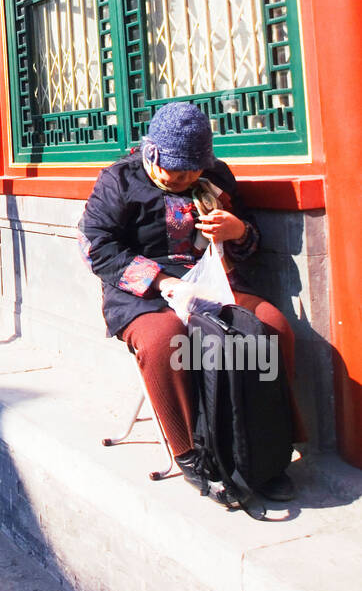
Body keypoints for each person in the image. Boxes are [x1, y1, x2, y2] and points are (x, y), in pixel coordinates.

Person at [78, 101, 305, 502]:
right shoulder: (119, 181)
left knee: (270, 327)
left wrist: (236, 231)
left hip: (211, 282)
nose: (186, 179)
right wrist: (162, 282)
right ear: (152, 153)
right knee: (165, 340)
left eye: (194, 170)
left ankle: (266, 451)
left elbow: (249, 244)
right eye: (176, 171)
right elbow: (97, 248)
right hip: (144, 293)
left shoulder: (217, 176)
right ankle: (192, 456)